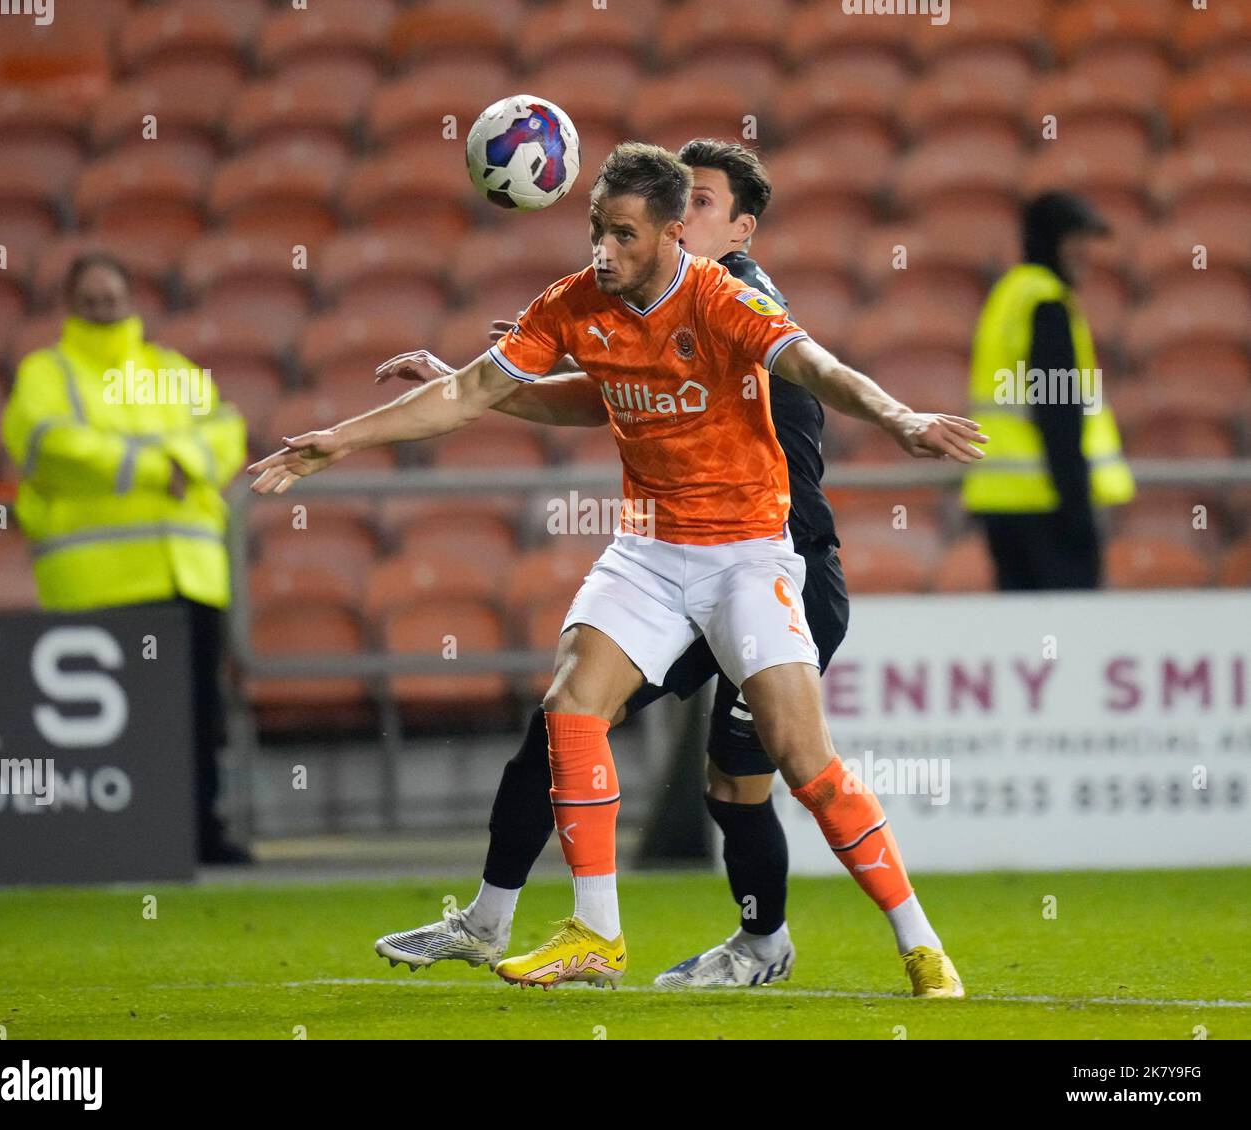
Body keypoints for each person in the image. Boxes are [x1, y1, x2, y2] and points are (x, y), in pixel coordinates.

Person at [248, 143, 985, 996]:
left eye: (624, 234)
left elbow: (813, 366)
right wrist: (340, 438)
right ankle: (595, 932)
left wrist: (898, 415)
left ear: (676, 233)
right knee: (569, 708)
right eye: (597, 229)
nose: (604, 249)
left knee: (801, 764)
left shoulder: (724, 297)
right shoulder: (576, 302)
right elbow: (474, 392)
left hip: (750, 556)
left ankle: (919, 942)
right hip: (647, 550)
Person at [372, 139, 848, 989]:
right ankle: (490, 919)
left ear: (740, 229)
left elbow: (666, 371)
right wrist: (490, 380)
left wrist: (517, 373)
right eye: (680, 201)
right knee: (563, 724)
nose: (681, 216)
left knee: (736, 785)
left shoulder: (742, 295)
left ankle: (763, 943)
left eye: (702, 203)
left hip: (783, 564)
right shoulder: (655, 306)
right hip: (695, 556)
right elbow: (607, 393)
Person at [1, 253, 251, 865]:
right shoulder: (47, 372)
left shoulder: (168, 368)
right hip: (98, 580)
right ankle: (113, 840)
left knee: (198, 716)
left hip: (185, 573)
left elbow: (227, 431)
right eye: (91, 301)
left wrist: (181, 463)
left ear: (131, 301)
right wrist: (154, 466)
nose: (105, 311)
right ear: (70, 307)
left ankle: (200, 835)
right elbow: (45, 443)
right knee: (111, 726)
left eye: (113, 299)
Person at [962, 191, 1135, 589]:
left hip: (1002, 501)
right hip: (1046, 502)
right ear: (1049, 242)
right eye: (1075, 240)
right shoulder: (1046, 303)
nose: (1085, 253)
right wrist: (1075, 504)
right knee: (1070, 636)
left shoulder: (1008, 295)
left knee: (1025, 637)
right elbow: (1058, 409)